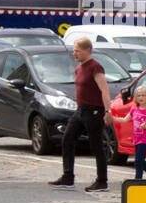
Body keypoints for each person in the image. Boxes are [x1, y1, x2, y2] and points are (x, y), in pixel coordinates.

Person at [48, 37, 112, 192]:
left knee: (96, 146)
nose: (74, 53)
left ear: (87, 51)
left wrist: (107, 111)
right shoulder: (79, 68)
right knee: (67, 139)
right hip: (80, 111)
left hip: (94, 111)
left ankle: (102, 181)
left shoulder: (95, 67)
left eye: (77, 50)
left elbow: (104, 89)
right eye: (74, 50)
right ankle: (68, 177)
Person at [112, 85, 146, 181]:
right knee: (140, 161)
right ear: (135, 98)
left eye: (143, 95)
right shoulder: (134, 109)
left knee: (138, 161)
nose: (141, 98)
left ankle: (138, 179)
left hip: (145, 140)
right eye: (139, 96)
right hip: (137, 139)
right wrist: (113, 119)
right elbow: (125, 120)